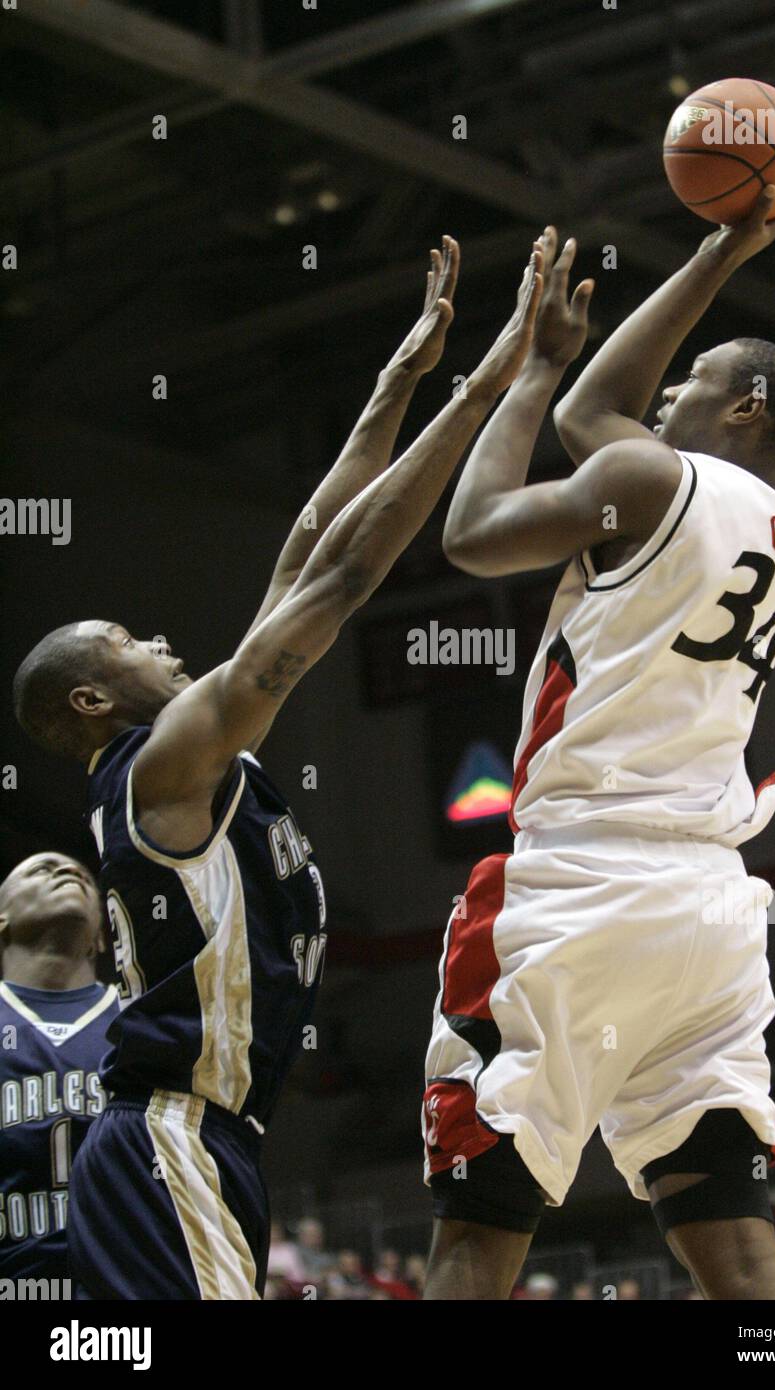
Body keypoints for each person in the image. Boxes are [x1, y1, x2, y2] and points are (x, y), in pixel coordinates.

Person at [12, 235, 545, 1300]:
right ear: (92, 698)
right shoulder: (164, 768)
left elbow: (309, 536)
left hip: (212, 1138)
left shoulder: (193, 762)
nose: (160, 643)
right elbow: (346, 572)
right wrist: (492, 382)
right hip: (173, 1135)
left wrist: (402, 377)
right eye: (129, 640)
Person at [423, 189, 775, 1301]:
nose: (662, 399)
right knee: (741, 1251)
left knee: (475, 1238)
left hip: (581, 886)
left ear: (743, 405)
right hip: (709, 911)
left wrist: (549, 360)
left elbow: (473, 530)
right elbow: (609, 424)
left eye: (688, 381)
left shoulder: (653, 479)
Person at [0, 852, 119, 1289]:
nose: (69, 872)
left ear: (101, 938)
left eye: (83, 877)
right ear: (1, 920)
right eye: (42, 869)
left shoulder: (141, 1024)